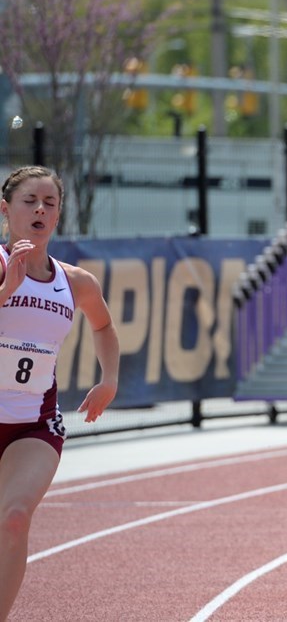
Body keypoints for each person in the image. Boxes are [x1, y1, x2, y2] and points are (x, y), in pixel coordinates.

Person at [1, 166, 120, 620]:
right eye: (30, 201)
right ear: (6, 209)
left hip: (33, 424)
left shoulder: (75, 282)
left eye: (50, 203)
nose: (40, 210)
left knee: (13, 518)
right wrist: (5, 290)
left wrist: (108, 380)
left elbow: (104, 326)